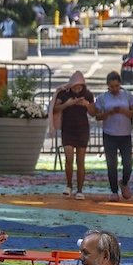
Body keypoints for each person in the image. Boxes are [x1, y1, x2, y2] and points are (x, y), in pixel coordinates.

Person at [93, 71, 133, 200]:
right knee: (111, 163)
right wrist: (109, 113)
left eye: (117, 86)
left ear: (120, 84)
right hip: (109, 134)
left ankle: (124, 182)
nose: (114, 89)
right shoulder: (102, 98)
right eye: (111, 86)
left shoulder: (128, 95)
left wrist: (125, 112)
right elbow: (97, 116)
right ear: (107, 86)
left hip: (125, 134)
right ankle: (114, 190)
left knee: (128, 162)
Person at [52, 71, 97, 199]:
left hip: (82, 130)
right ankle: (69, 185)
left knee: (80, 161)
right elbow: (54, 109)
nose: (77, 89)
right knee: (69, 158)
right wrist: (67, 104)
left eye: (79, 87)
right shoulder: (64, 94)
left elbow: (94, 113)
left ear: (83, 86)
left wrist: (87, 105)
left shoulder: (88, 95)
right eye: (75, 87)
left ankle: (80, 189)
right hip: (67, 129)